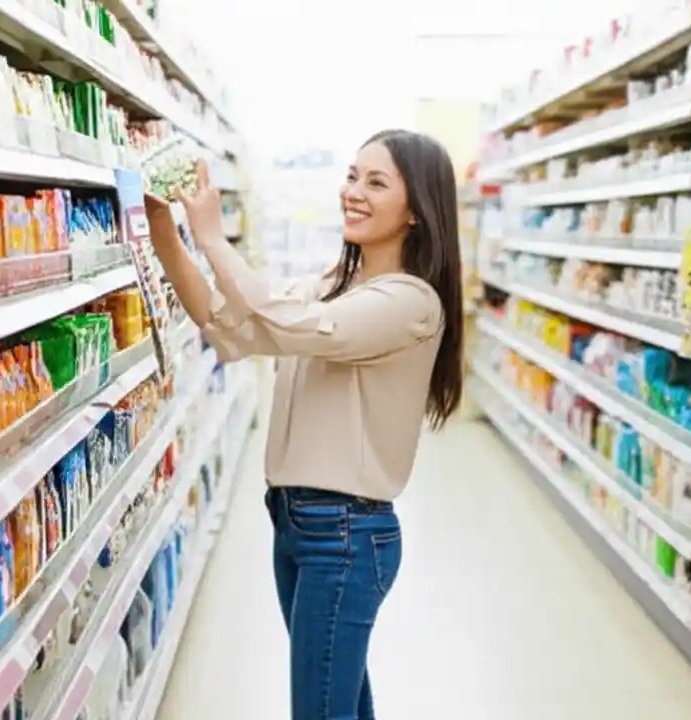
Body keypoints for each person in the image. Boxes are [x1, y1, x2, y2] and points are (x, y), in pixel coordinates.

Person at [146, 129, 464, 720]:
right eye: (351, 176)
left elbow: (294, 325)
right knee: (338, 706)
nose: (354, 192)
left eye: (376, 182)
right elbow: (230, 328)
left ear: (417, 210)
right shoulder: (331, 285)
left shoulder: (412, 302)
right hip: (297, 524)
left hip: (343, 534)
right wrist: (166, 236)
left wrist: (214, 236)